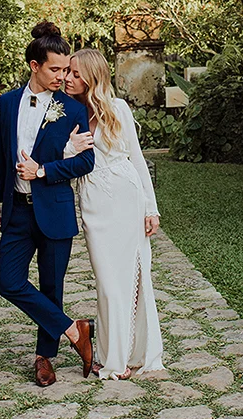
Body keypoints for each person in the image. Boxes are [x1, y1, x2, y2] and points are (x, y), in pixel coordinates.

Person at [24, 48, 165, 380]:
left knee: (127, 279)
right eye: (66, 73)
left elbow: (137, 159)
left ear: (91, 76)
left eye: (74, 73)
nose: (66, 78)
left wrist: (151, 207)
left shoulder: (117, 109)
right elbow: (60, 160)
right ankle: (109, 351)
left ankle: (120, 359)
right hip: (92, 200)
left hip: (124, 194)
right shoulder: (65, 112)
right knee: (106, 280)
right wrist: (68, 149)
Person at [0, 22, 97, 387]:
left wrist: (43, 170)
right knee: (9, 282)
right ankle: (74, 329)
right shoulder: (7, 103)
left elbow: (84, 163)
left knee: (53, 287)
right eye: (55, 69)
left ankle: (44, 359)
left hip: (55, 209)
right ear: (34, 66)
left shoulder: (73, 109)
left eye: (66, 69)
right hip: (17, 210)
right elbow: (0, 156)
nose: (62, 76)